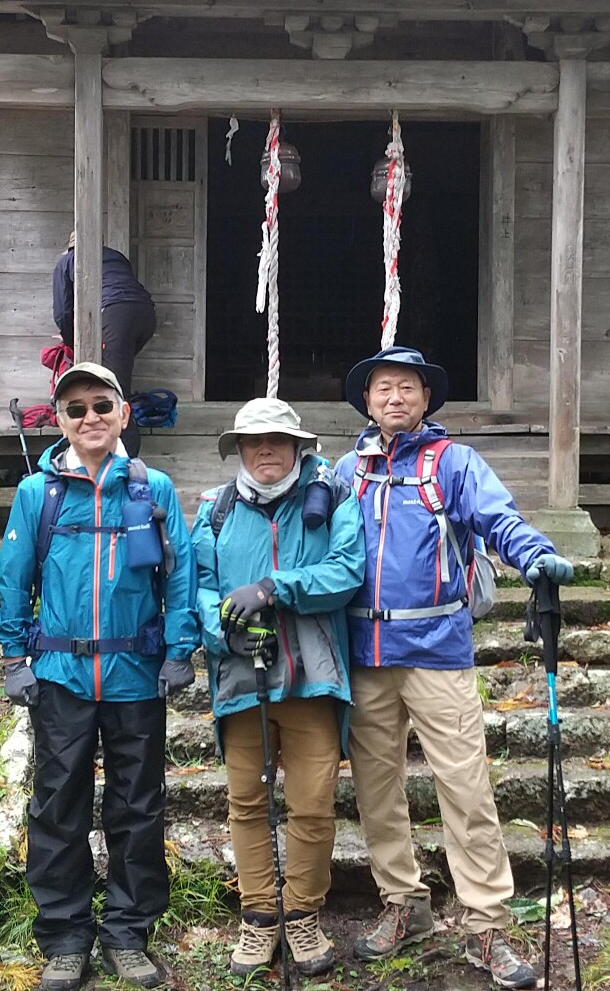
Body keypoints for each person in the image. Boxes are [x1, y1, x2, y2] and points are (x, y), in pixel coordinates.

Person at [333, 346, 575, 991]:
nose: (394, 398)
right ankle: (403, 903)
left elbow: (499, 520)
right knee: (377, 789)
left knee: (465, 787)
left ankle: (486, 921)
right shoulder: (345, 469)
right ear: (366, 400)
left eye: (406, 388)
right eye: (383, 388)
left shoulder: (455, 463)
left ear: (425, 399)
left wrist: (537, 556)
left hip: (437, 647)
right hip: (363, 652)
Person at [0, 361, 196, 991]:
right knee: (58, 807)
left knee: (137, 806)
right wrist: (14, 658)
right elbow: (13, 579)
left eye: (102, 406)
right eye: (75, 409)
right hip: (61, 675)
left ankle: (128, 933)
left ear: (124, 414)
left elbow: (180, 575)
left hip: (136, 674)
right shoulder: (39, 493)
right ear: (59, 420)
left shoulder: (153, 489)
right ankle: (65, 934)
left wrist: (180, 648)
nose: (90, 419)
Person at [192, 398, 363, 979]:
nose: (265, 450)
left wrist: (272, 588)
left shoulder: (333, 500)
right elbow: (200, 589)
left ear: (298, 447)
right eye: (253, 441)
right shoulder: (214, 512)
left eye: (277, 441)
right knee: (245, 803)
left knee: (313, 806)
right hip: (243, 679)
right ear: (238, 449)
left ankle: (303, 914)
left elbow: (345, 572)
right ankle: (260, 914)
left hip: (312, 679)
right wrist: (225, 634)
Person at [52, 236, 156, 456]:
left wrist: (71, 343)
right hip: (146, 315)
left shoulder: (68, 260)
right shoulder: (116, 257)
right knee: (112, 376)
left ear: (69, 247)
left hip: (116, 315)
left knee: (115, 389)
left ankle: (126, 456)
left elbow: (62, 312)